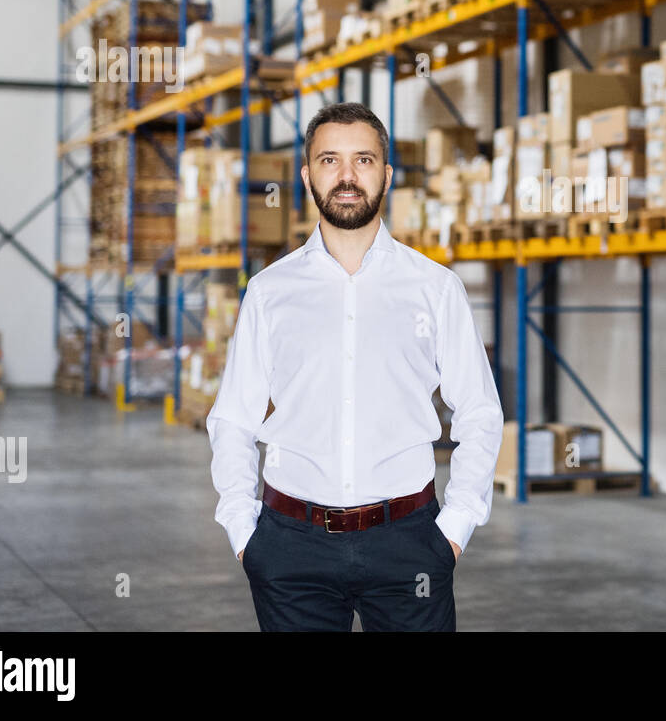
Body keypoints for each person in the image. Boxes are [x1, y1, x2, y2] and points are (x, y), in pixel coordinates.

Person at [206, 102, 503, 631]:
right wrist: (242, 530)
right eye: (329, 160)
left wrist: (453, 529)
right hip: (290, 548)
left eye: (363, 160)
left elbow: (480, 412)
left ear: (386, 176)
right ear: (306, 175)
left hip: (409, 542)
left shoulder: (435, 288)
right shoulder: (270, 292)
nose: (346, 176)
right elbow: (233, 418)